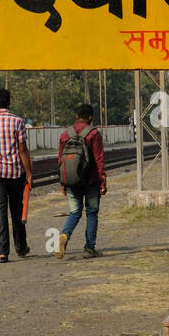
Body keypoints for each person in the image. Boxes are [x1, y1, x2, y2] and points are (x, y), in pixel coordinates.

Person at [0, 88, 33, 263]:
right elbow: (22, 149)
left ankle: (3, 252)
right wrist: (29, 173)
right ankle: (21, 247)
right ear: (9, 102)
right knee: (16, 210)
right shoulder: (18, 121)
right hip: (15, 172)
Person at [55, 103, 107, 259]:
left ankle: (64, 235)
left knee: (75, 212)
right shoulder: (93, 133)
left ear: (77, 116)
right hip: (91, 181)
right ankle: (89, 248)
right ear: (90, 117)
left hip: (72, 180)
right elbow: (99, 159)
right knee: (91, 213)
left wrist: (63, 182)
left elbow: (60, 160)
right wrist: (103, 181)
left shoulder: (66, 134)